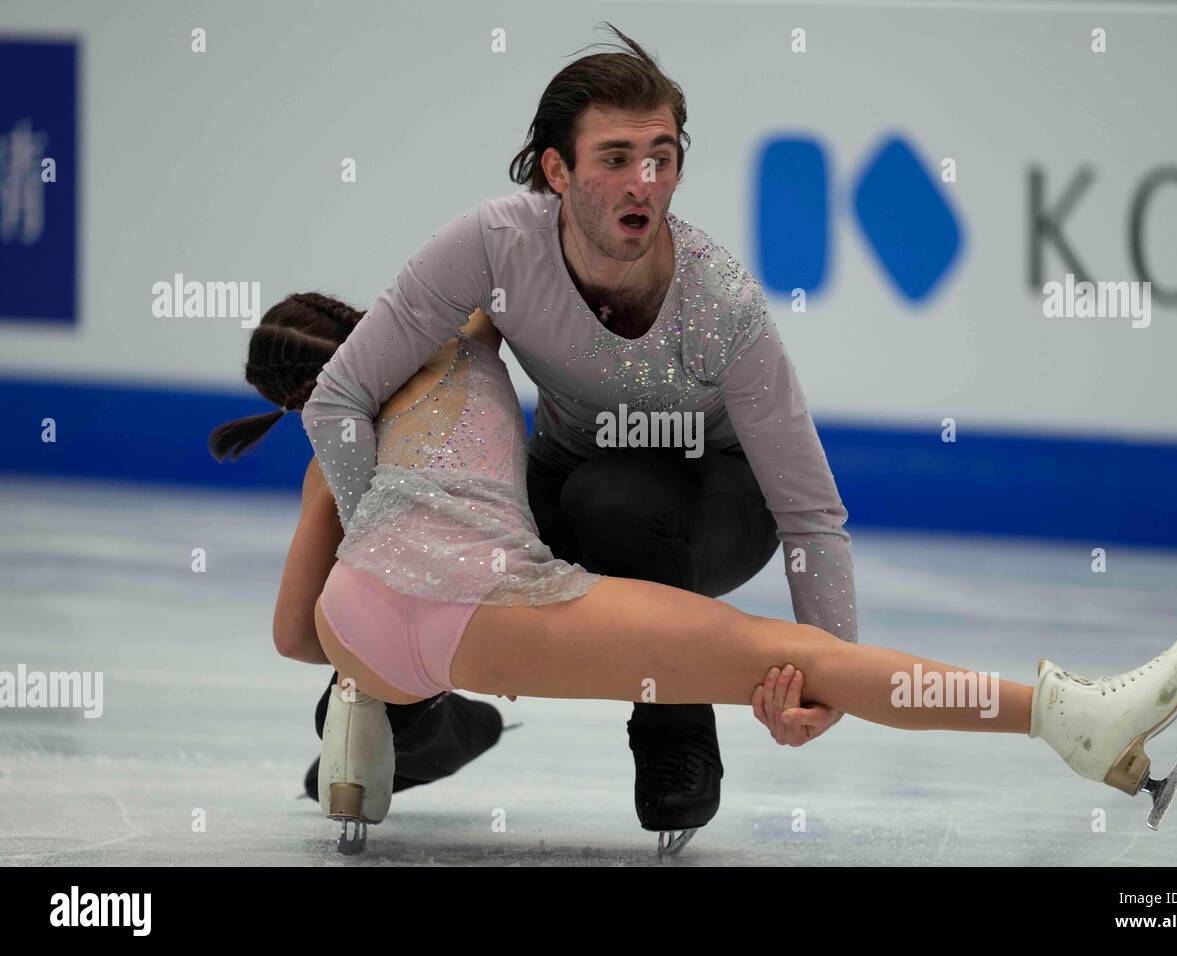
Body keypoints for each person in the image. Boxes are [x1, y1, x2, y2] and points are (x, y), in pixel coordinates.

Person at [300, 297, 1177, 853]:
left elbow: (291, 633)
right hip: (484, 603)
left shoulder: (336, 436)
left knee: (392, 650)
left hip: (356, 622)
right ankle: (1064, 719)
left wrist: (374, 651)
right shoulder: (454, 333)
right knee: (795, 655)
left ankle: (361, 728)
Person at [301, 23, 859, 848]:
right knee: (486, 510)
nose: (646, 180)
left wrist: (832, 668)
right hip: (563, 485)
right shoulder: (497, 244)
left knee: (620, 496)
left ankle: (675, 735)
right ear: (557, 171)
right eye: (616, 157)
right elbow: (340, 398)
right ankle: (422, 718)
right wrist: (390, 549)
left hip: (716, 504)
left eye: (663, 156)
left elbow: (810, 513)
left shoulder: (721, 303)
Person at [207, 292, 505, 806]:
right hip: (538, 584)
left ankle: (435, 715)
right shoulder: (458, 357)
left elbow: (293, 636)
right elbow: (497, 296)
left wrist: (379, 652)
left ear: (299, 404)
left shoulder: (330, 466)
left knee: (347, 707)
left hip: (438, 639)